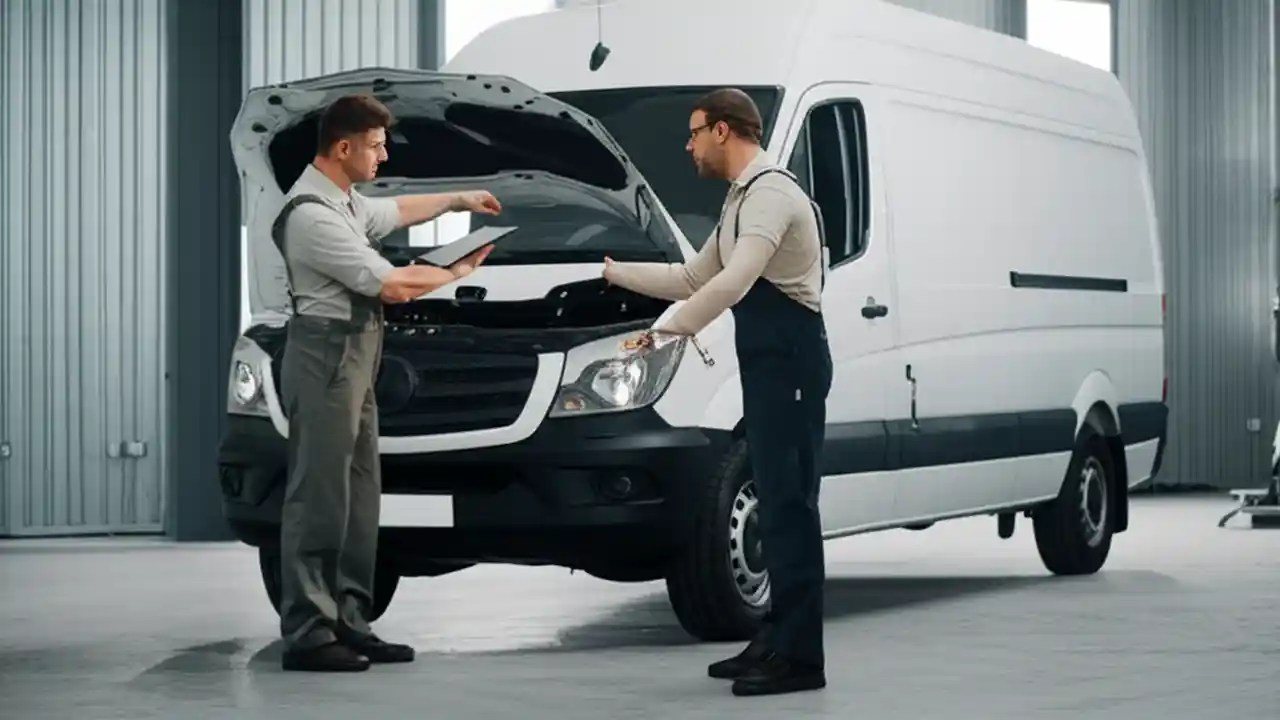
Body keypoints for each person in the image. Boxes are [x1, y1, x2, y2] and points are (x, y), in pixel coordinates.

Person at [602, 88, 831, 697]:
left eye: (695, 132)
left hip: (791, 363)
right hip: (769, 363)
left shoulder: (772, 194)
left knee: (791, 506)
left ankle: (801, 658)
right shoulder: (741, 198)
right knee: (775, 501)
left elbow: (733, 282)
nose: (689, 145)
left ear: (723, 131)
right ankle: (777, 638)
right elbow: (692, 277)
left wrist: (665, 333)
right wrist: (614, 273)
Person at [274, 93, 503, 673]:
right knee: (319, 495)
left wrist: (458, 199)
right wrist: (454, 272)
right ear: (342, 147)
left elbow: (397, 211)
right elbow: (391, 286)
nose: (383, 156)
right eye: (375, 147)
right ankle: (308, 631)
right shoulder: (311, 216)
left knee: (358, 495)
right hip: (325, 355)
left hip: (356, 353)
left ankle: (351, 620)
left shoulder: (346, 202)